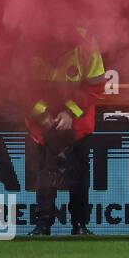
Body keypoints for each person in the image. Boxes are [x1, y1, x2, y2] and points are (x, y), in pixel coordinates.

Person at [26, 28, 107, 236]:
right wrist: (42, 114)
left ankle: (79, 224)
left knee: (79, 173)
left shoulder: (87, 43)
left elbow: (95, 87)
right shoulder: (27, 40)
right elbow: (18, 88)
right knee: (45, 172)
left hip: (77, 123)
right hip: (42, 123)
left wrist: (70, 113)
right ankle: (43, 224)